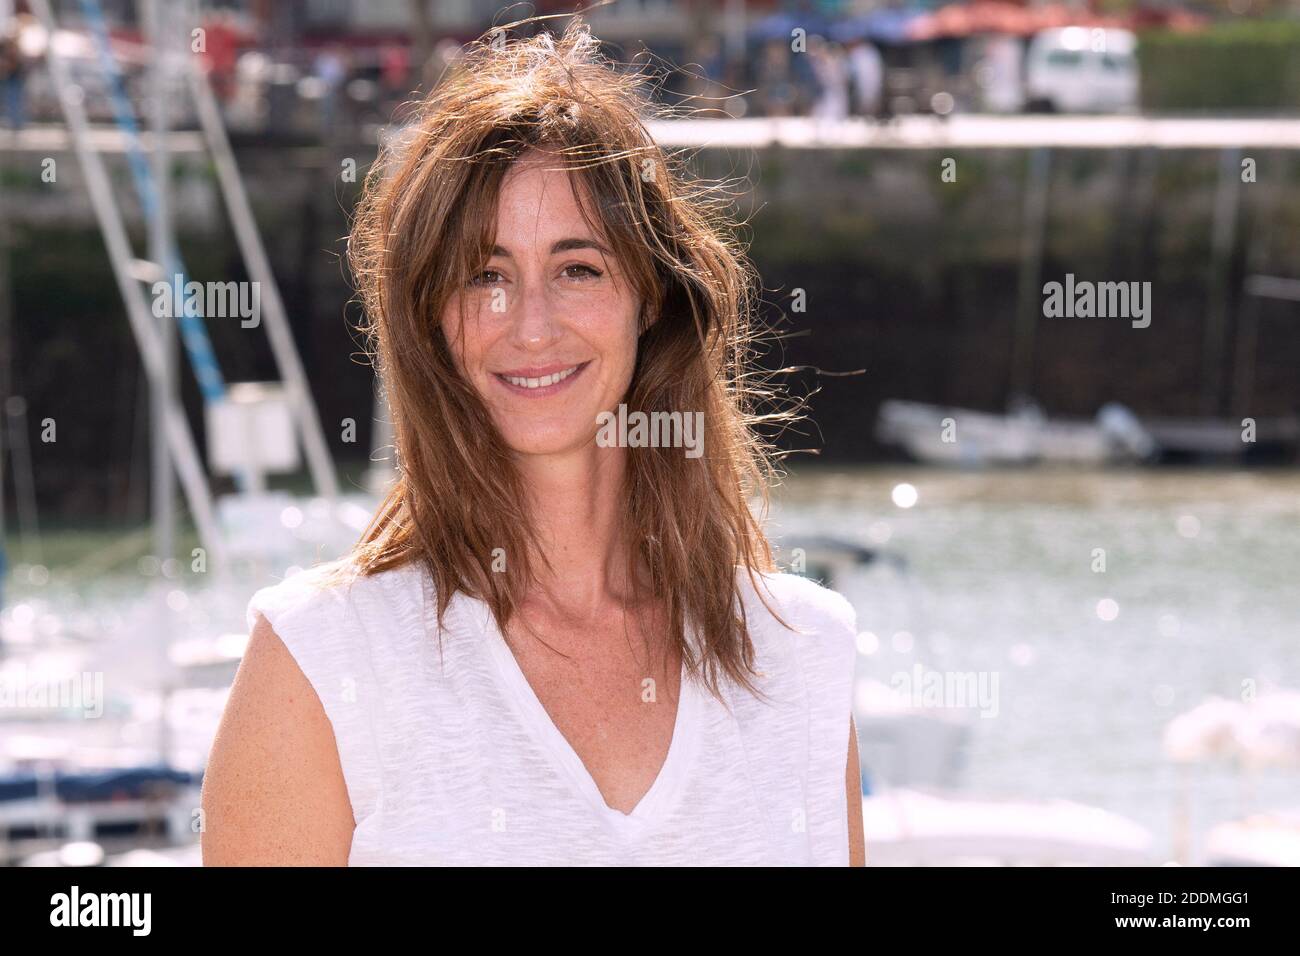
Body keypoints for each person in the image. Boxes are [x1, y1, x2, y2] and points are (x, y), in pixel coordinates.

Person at [201, 20, 865, 867]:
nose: (532, 325)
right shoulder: (321, 664)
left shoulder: (799, 655)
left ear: (651, 297)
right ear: (432, 319)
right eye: (486, 275)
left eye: (577, 268)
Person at [0, 20, 28, 131]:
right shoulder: (7, 46)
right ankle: (15, 123)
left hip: (13, 78)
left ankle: (16, 124)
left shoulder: (15, 48)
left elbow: (17, 65)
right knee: (11, 100)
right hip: (8, 77)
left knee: (14, 100)